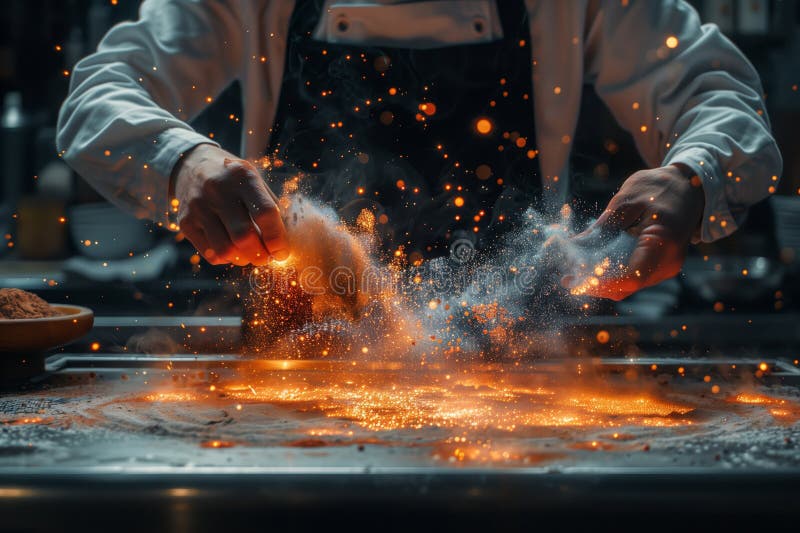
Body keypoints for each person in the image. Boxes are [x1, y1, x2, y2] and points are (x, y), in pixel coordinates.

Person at [57, 0, 782, 301]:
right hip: (292, 382)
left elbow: (717, 95)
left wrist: (695, 172)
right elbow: (99, 94)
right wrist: (182, 161)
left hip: (525, 383)